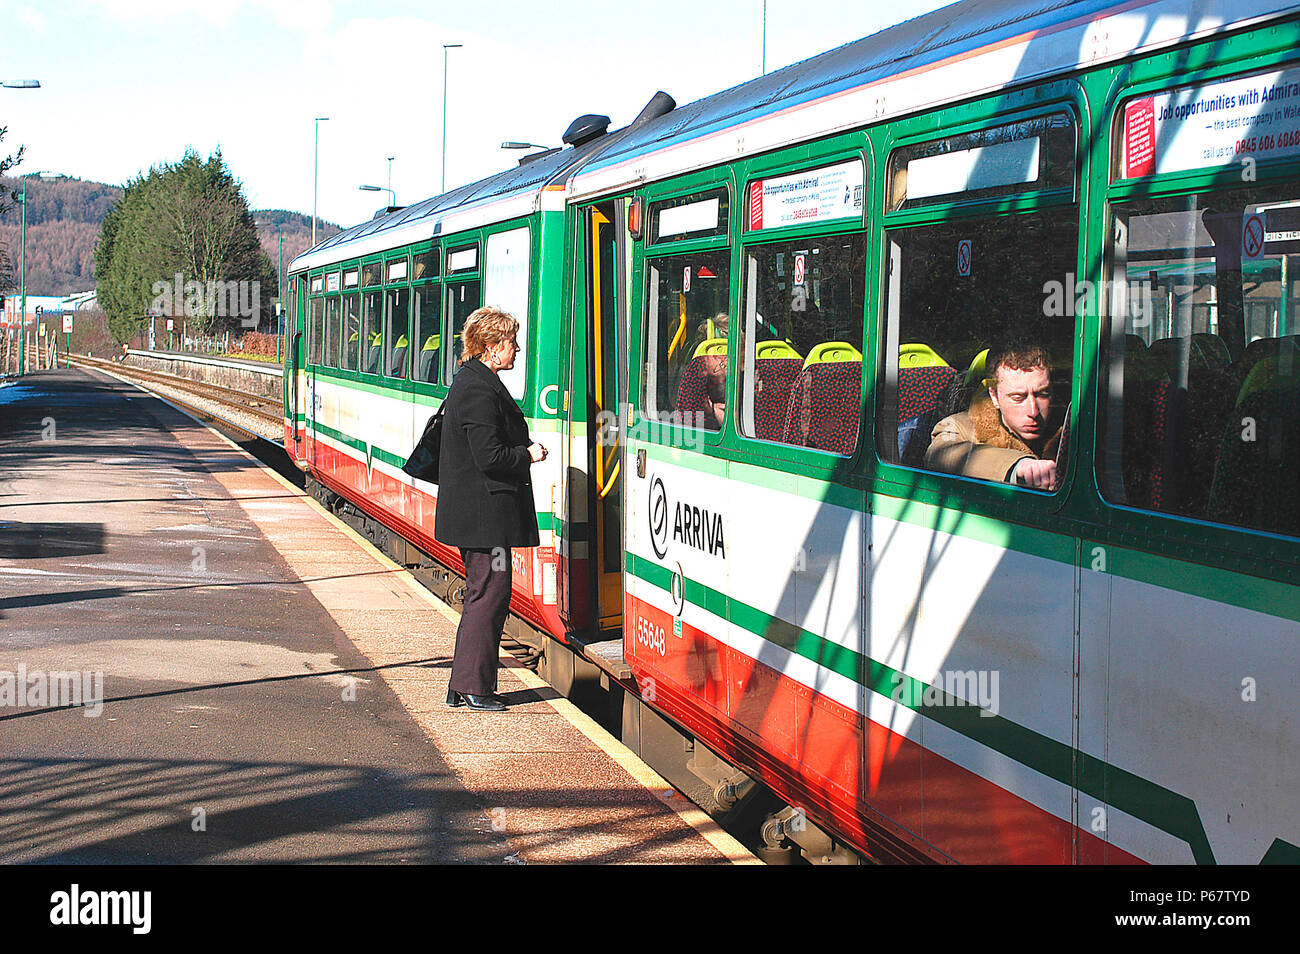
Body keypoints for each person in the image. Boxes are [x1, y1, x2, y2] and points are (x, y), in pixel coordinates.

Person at [434, 306, 547, 711]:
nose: (517, 349)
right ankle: (474, 688)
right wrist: (528, 455)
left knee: (486, 594)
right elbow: (490, 456)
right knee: (490, 596)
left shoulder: (472, 381)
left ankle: (464, 683)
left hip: (480, 517)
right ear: (493, 346)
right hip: (483, 520)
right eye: (512, 342)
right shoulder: (479, 389)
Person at [924, 342, 1064, 490]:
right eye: (1018, 397)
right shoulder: (960, 426)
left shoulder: (1075, 426)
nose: (1033, 411)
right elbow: (940, 454)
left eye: (1042, 394)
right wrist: (1019, 467)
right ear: (994, 396)